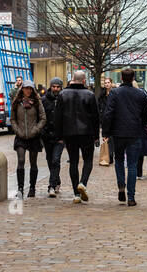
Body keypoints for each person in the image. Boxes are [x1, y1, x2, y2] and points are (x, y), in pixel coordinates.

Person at [102, 68, 147, 206]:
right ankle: (131, 196)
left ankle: (121, 185)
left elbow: (108, 113)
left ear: (121, 78)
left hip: (119, 133)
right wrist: (141, 127)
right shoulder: (140, 94)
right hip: (135, 132)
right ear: (133, 78)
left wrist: (106, 132)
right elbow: (144, 115)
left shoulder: (115, 93)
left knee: (118, 160)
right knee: (132, 164)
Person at [53, 70, 98, 202]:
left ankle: (76, 194)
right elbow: (95, 117)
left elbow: (58, 117)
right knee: (88, 160)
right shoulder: (89, 95)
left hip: (69, 132)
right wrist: (96, 135)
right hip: (87, 133)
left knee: (73, 161)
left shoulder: (63, 94)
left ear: (72, 79)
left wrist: (59, 135)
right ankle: (83, 183)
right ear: (84, 80)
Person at [9, 80, 46, 198]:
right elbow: (13, 119)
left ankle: (32, 187)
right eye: (26, 88)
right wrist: (17, 130)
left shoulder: (37, 102)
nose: (28, 91)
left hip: (33, 136)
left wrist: (36, 130)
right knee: (20, 161)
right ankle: (20, 188)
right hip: (20, 136)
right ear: (22, 89)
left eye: (30, 88)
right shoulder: (17, 103)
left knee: (33, 162)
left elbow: (43, 118)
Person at [41, 78, 64, 198]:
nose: (55, 89)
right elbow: (41, 117)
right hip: (47, 135)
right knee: (50, 160)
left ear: (61, 87)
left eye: (58, 87)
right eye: (54, 86)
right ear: (51, 87)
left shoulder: (64, 99)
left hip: (60, 137)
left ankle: (51, 186)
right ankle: (57, 181)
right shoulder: (44, 100)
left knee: (56, 160)